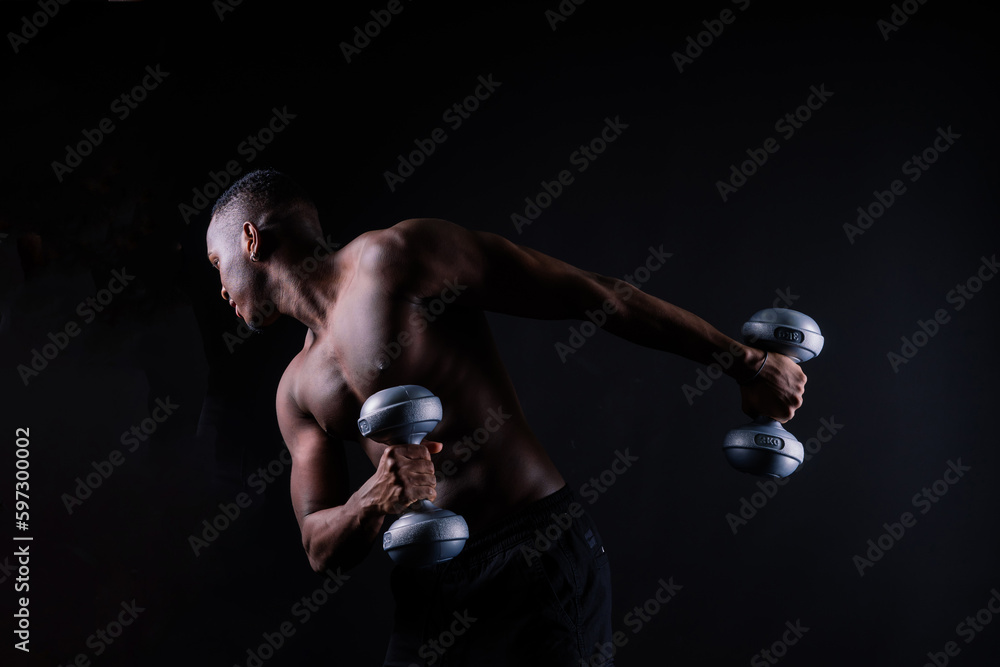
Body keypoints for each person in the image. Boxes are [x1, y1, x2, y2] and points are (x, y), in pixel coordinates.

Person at [204, 169, 806, 666]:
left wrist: (748, 364)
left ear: (252, 240)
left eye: (216, 263)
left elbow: (589, 293)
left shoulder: (397, 258)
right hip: (428, 594)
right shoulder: (296, 391)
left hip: (533, 560)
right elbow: (316, 545)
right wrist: (375, 500)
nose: (221, 290)